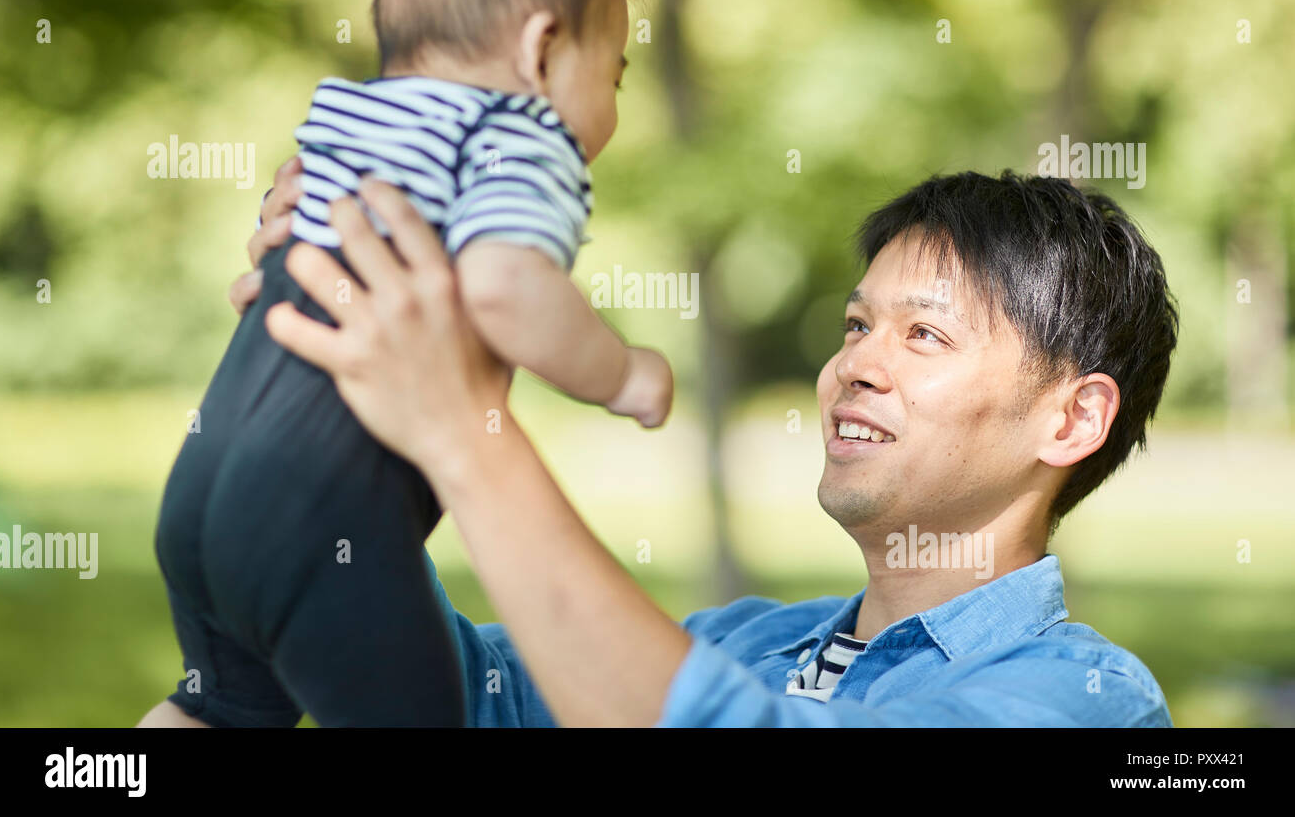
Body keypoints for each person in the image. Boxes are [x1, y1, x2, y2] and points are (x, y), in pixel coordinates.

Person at [140, 165, 1180, 727]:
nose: (857, 364)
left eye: (925, 333)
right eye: (856, 325)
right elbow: (457, 693)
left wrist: (463, 430)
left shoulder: (1084, 699)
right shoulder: (744, 641)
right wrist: (317, 359)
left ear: (1071, 418)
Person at [148, 0, 670, 728]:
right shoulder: (518, 134)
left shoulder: (352, 127)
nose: (608, 111)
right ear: (542, 52)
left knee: (218, 711)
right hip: (316, 523)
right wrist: (623, 374)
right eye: (612, 76)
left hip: (201, 497)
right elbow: (506, 287)